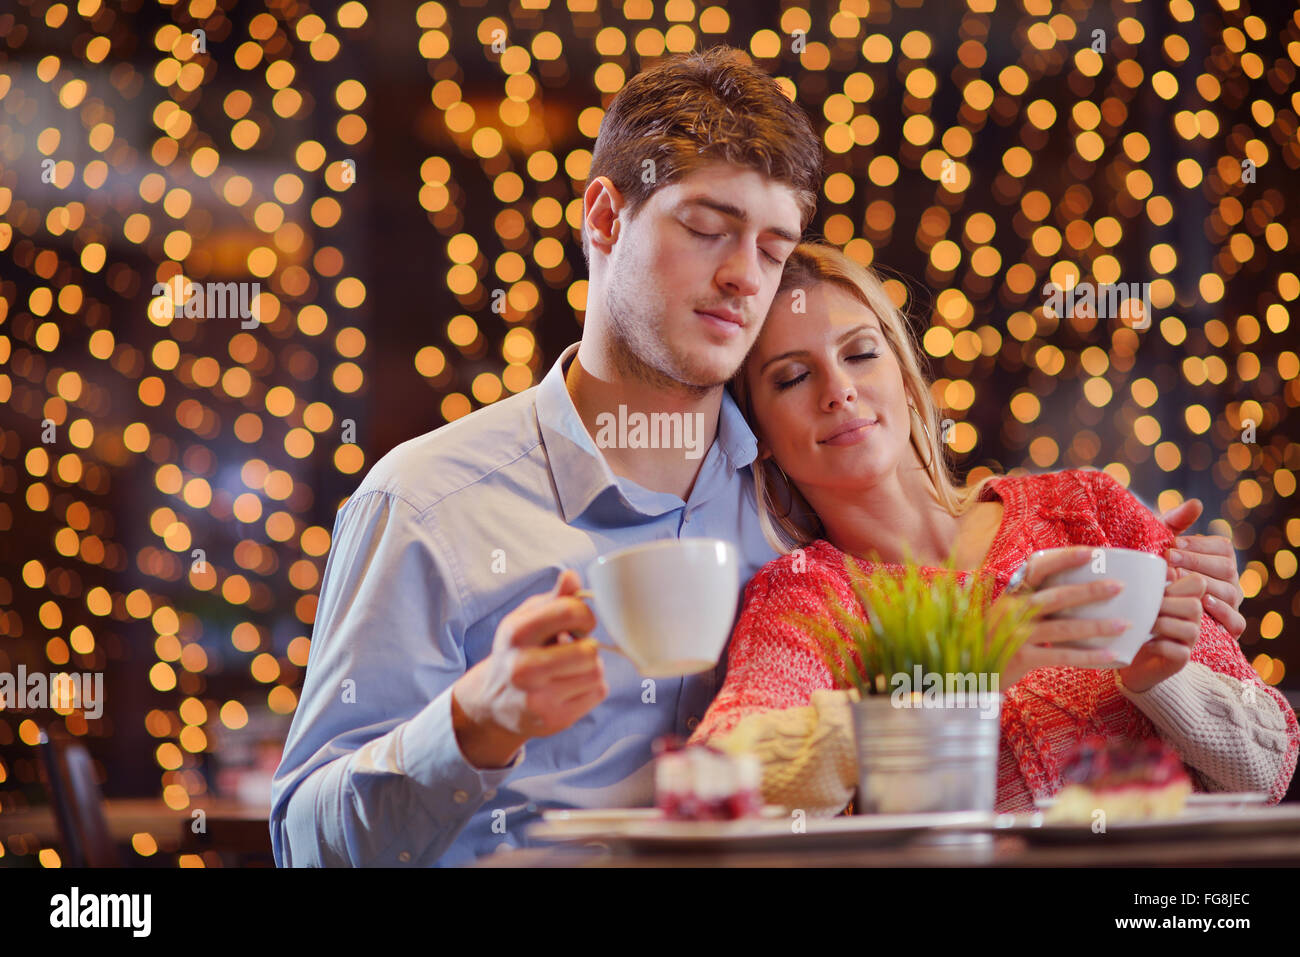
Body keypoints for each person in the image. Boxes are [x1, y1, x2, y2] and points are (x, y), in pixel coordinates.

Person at [269, 45, 824, 866]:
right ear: (604, 218)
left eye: (775, 251)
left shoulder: (795, 502)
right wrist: (469, 724)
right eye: (709, 229)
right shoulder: (426, 503)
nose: (746, 276)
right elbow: (302, 846)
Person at [687, 242, 1297, 815]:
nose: (839, 391)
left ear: (902, 371)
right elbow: (722, 773)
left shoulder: (1084, 507)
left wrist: (1163, 682)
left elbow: (1269, 768)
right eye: (792, 377)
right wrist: (969, 675)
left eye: (860, 353)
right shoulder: (806, 599)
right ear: (757, 436)